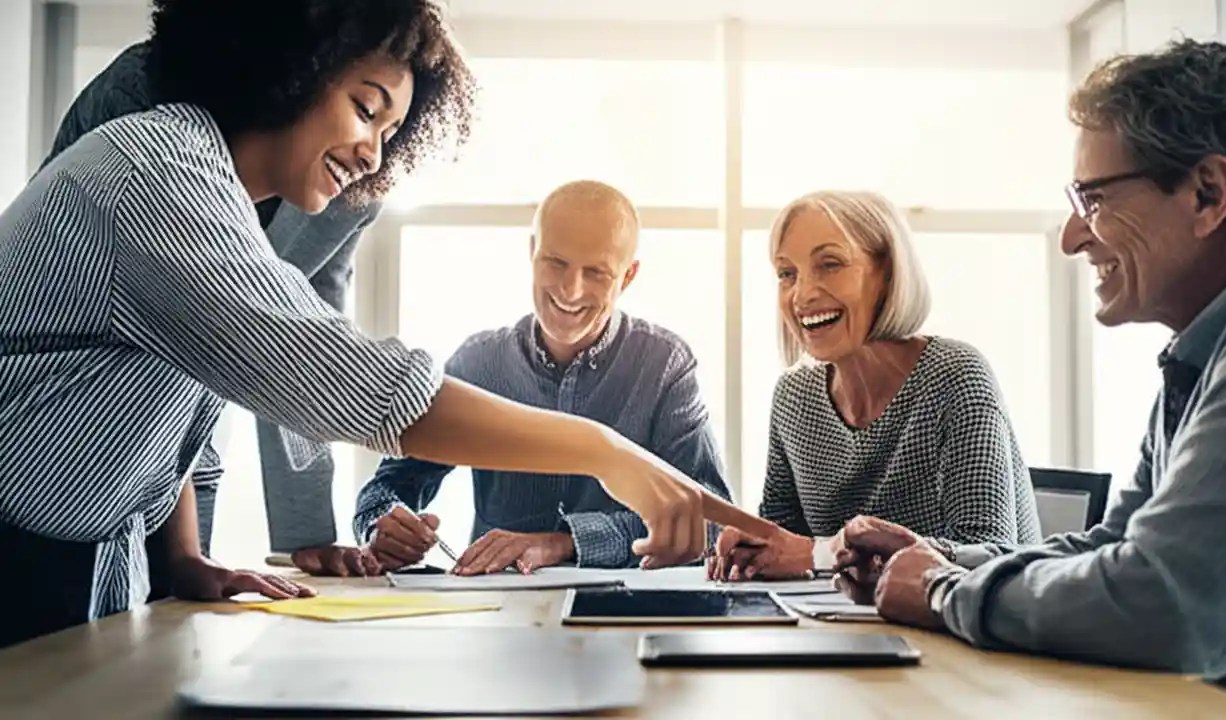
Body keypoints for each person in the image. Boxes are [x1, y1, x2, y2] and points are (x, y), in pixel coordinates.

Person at [0, 0, 763, 649]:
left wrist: (184, 558)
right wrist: (603, 450)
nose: (372, 154)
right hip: (19, 558)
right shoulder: (155, 173)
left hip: (98, 561)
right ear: (292, 60)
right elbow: (345, 381)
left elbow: (174, 397)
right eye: (367, 109)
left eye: (391, 133)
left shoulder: (205, 186)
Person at [826, 40, 1226, 707]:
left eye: (1092, 199)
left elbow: (1161, 601)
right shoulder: (1206, 350)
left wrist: (939, 589)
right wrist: (940, 558)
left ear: (1208, 194)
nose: (1072, 237)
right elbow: (1113, 545)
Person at [43, 40, 376, 580]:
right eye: (367, 109)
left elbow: (308, 337)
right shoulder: (151, 96)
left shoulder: (353, 180)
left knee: (174, 616)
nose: (374, 153)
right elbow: (136, 303)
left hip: (183, 447)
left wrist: (307, 535)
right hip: (71, 443)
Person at [292, 180, 732, 577]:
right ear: (531, 251)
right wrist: (384, 523)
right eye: (555, 262)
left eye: (596, 272)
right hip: (492, 612)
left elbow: (712, 519)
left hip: (619, 615)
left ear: (628, 276)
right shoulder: (479, 362)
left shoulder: (665, 365)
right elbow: (388, 485)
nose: (570, 290)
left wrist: (562, 544)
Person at [707, 190, 1040, 581]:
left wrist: (821, 554)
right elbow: (787, 542)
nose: (802, 294)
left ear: (887, 273)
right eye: (786, 273)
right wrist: (753, 551)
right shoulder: (793, 398)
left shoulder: (955, 376)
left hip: (965, 632)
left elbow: (991, 552)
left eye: (829, 264)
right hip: (842, 630)